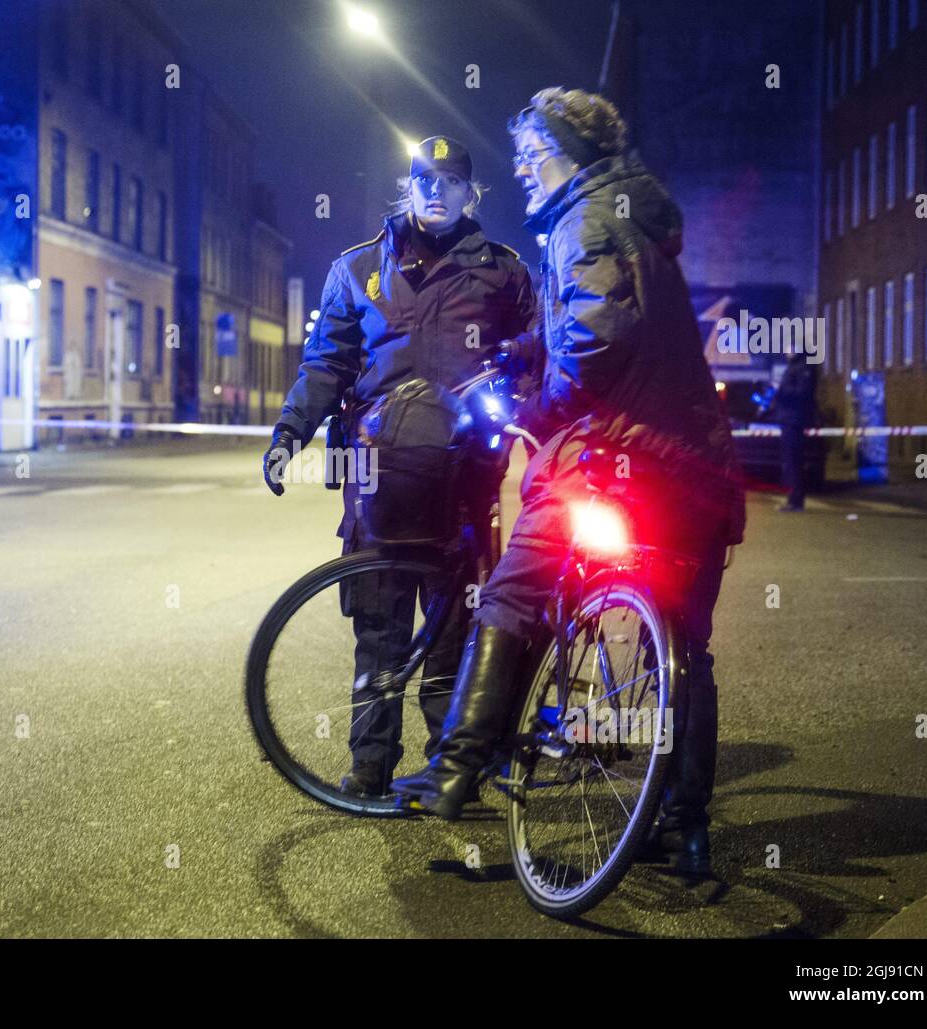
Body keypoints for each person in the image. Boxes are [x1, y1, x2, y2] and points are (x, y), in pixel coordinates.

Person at [392, 89, 747, 881]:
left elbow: (597, 338)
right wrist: (527, 348)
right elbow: (609, 320)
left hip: (616, 460)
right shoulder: (635, 219)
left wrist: (538, 406)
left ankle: (453, 771)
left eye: (530, 152)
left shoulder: (584, 217)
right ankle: (686, 833)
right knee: (684, 648)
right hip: (696, 472)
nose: (521, 167)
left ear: (566, 152)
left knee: (513, 596)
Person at [263, 136, 536, 798]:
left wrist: (525, 405)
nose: (435, 190)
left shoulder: (503, 272)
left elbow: (535, 358)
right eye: (424, 179)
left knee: (456, 627)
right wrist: (289, 432)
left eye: (449, 181)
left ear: (471, 194)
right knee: (379, 628)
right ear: (406, 187)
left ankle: (451, 768)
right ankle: (369, 767)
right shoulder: (357, 270)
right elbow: (326, 364)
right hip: (379, 479)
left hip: (464, 479)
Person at [770, 354, 818, 511]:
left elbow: (802, 392)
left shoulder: (804, 367)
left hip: (794, 420)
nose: (786, 351)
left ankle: (795, 501)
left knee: (793, 461)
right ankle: (793, 499)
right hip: (789, 418)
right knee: (790, 461)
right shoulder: (794, 366)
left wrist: (781, 389)